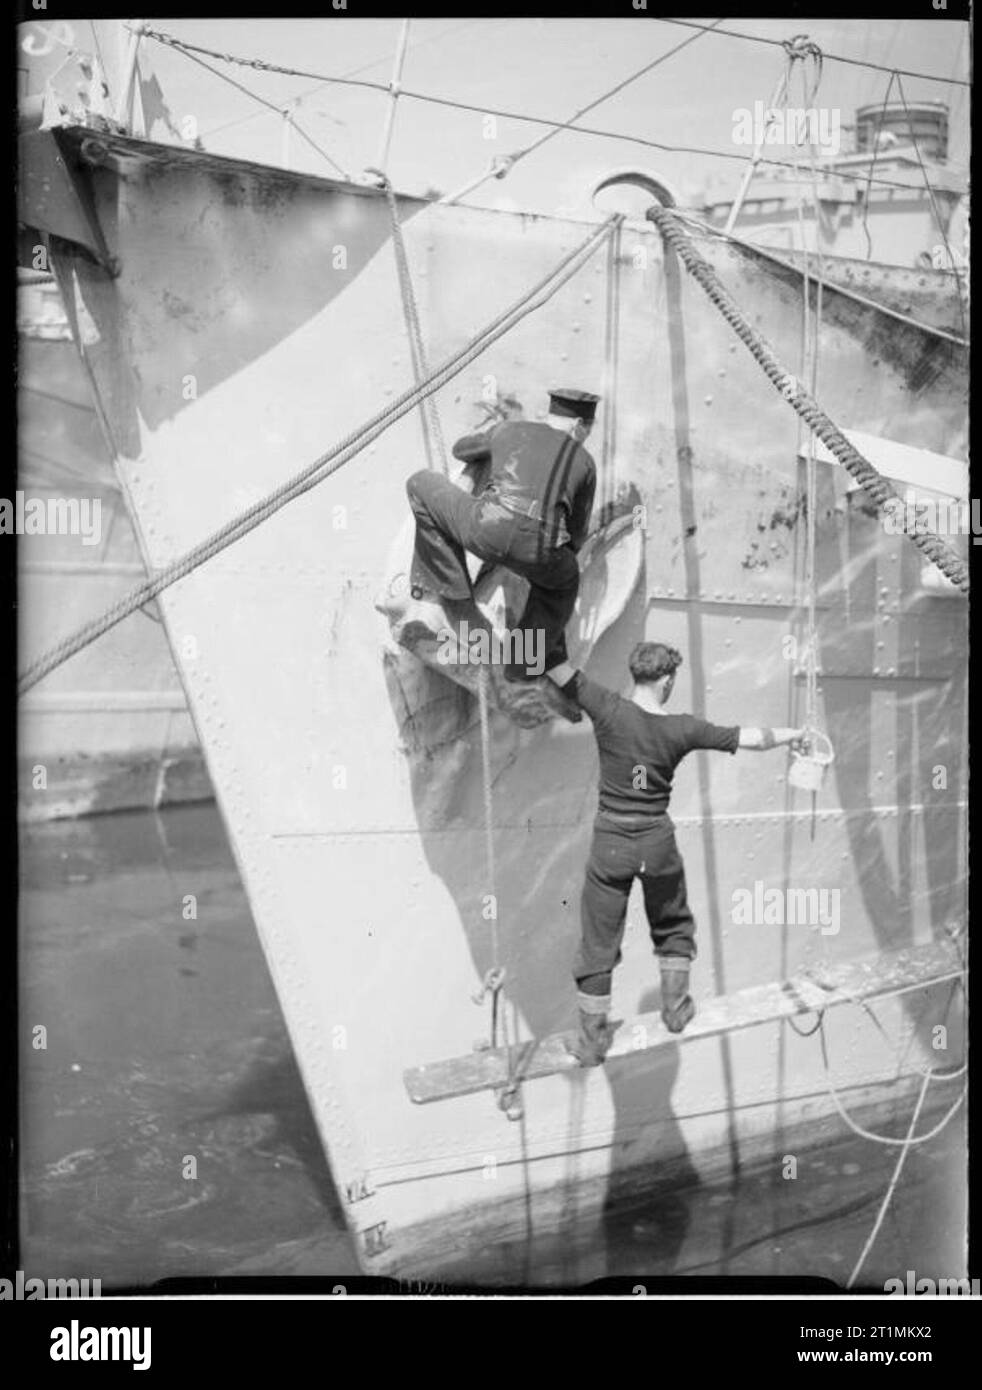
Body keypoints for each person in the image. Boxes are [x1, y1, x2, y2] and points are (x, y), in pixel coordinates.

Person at [546, 642, 805, 1065]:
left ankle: (592, 1043)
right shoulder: (682, 729)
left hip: (611, 840)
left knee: (598, 940)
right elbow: (750, 739)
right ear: (667, 680)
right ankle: (676, 1010)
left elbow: (557, 669)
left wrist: (522, 637)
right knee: (672, 925)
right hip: (656, 843)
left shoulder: (607, 707)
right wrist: (795, 735)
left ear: (635, 675)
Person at [401, 389, 599, 690]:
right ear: (579, 426)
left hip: (486, 527)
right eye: (588, 430)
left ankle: (453, 593)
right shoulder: (585, 463)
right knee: (560, 585)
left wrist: (494, 437)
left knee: (419, 484)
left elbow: (461, 450)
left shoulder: (510, 430)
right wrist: (549, 565)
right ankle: (522, 664)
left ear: (549, 416)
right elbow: (576, 537)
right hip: (540, 548)